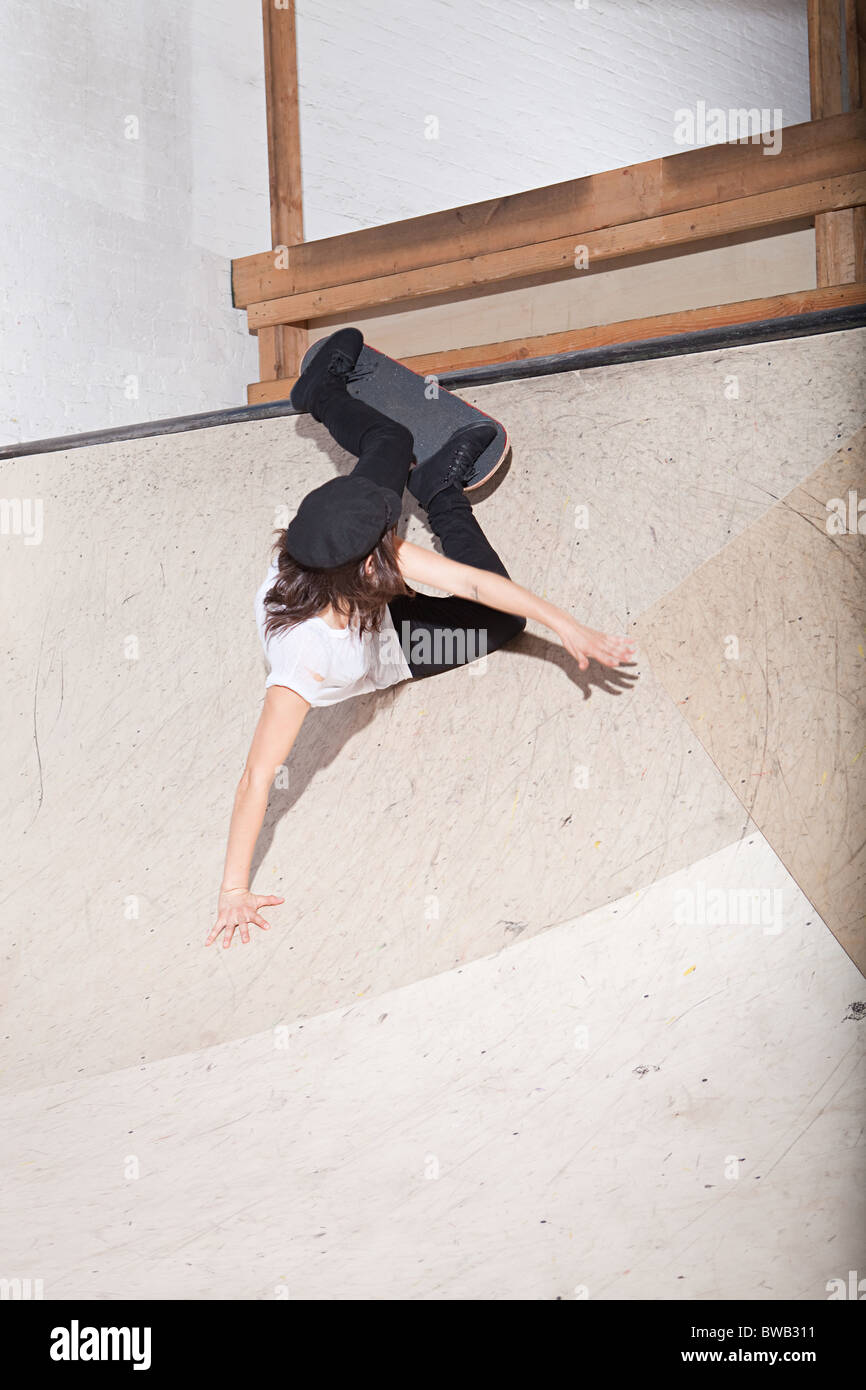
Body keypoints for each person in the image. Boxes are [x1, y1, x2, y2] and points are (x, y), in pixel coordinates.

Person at [206, 328, 634, 948]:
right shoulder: (307, 665)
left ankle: (319, 392)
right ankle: (439, 492)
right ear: (369, 568)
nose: (393, 535)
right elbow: (254, 778)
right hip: (394, 651)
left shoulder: (329, 537)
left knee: (391, 440)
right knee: (502, 626)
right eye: (388, 541)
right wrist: (232, 891)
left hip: (345, 558)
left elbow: (469, 581)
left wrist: (568, 624)